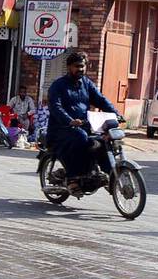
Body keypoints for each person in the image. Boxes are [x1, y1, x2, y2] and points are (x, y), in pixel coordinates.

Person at [46, 51, 120, 186]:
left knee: (102, 140)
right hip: (61, 129)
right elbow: (55, 107)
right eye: (77, 66)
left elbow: (101, 100)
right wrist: (69, 120)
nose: (80, 69)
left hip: (84, 126)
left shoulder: (86, 83)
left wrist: (116, 114)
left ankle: (107, 173)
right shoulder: (58, 85)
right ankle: (73, 176)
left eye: (83, 66)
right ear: (69, 67)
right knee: (80, 137)